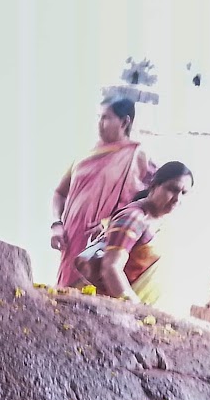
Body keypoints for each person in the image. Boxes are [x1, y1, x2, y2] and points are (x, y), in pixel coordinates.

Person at [51, 97, 154, 289]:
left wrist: (110, 225)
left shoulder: (137, 155)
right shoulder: (85, 154)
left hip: (105, 243)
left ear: (125, 122)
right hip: (71, 239)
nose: (100, 123)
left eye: (106, 118)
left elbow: (152, 204)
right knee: (63, 295)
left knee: (90, 297)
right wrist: (57, 224)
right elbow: (59, 193)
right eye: (99, 117)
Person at [82, 161, 192, 306]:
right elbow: (110, 268)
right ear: (154, 185)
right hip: (113, 308)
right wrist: (136, 308)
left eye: (184, 193)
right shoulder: (135, 218)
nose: (177, 199)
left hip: (143, 306)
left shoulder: (160, 221)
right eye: (172, 189)